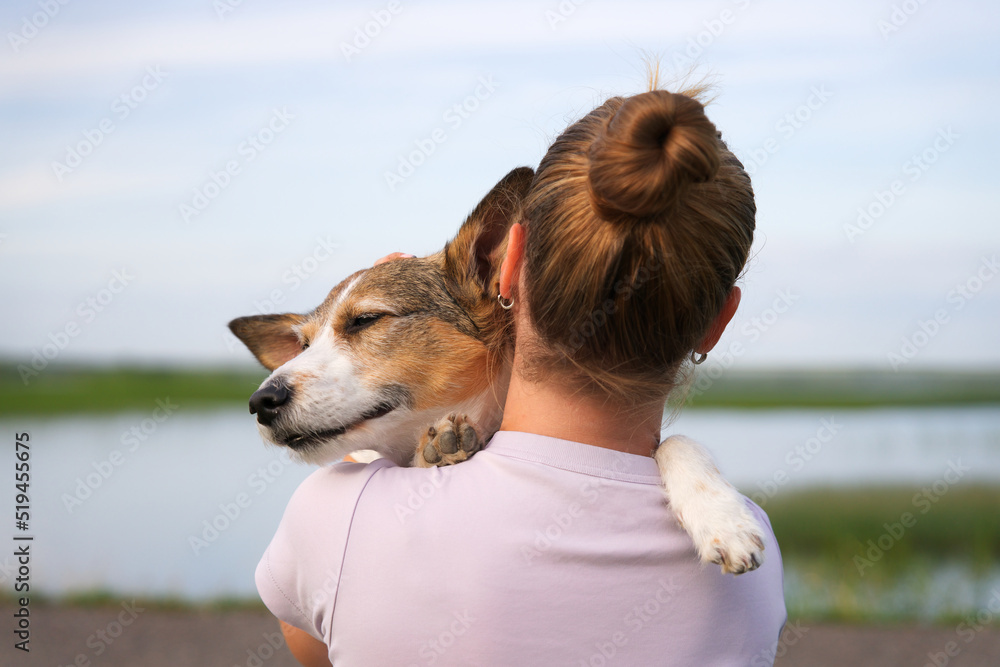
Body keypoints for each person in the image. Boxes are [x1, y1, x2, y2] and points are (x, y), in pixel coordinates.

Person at [257, 85, 786, 666]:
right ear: (716, 323)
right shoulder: (751, 550)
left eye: (366, 323)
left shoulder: (342, 514)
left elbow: (312, 649)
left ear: (503, 264)